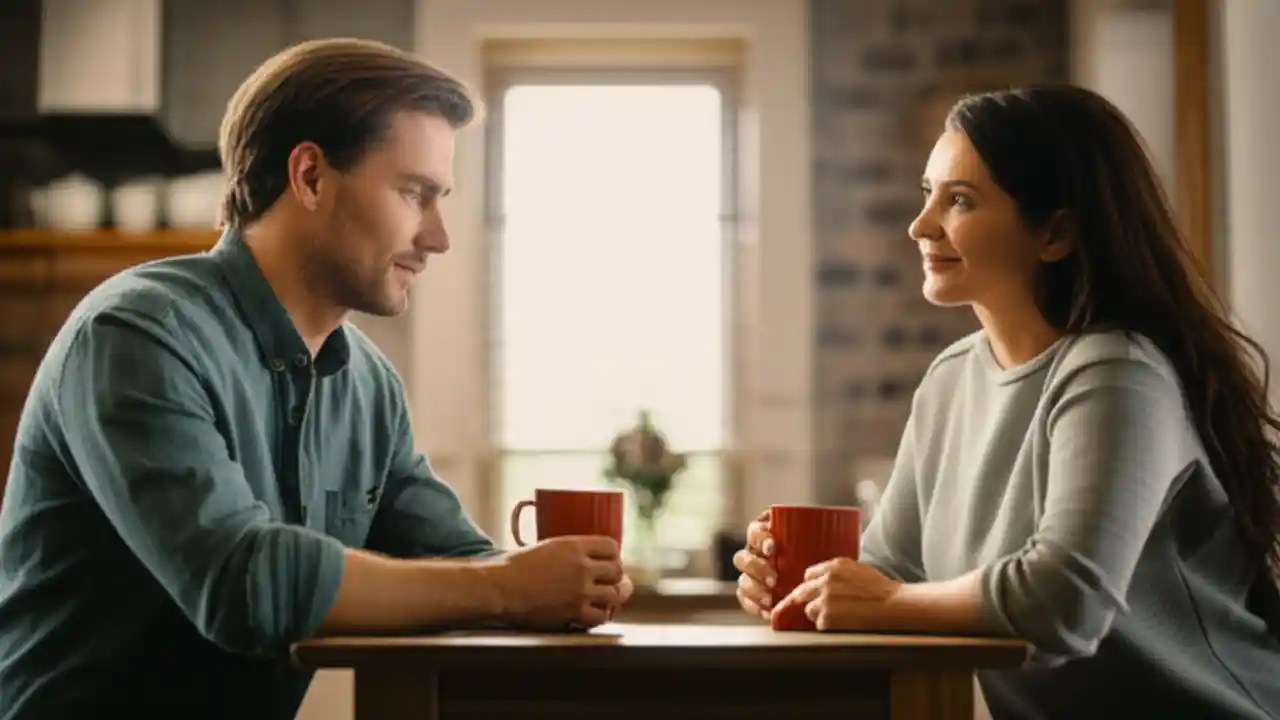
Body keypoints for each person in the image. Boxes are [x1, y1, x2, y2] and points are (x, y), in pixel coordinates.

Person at [0, 38, 631, 720]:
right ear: (309, 177)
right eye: (415, 194)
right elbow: (244, 586)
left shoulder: (367, 383)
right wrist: (512, 588)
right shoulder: (137, 334)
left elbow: (459, 562)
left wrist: (566, 584)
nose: (439, 237)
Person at [735, 84, 1280, 718]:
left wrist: (879, 603)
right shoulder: (951, 379)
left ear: (1055, 233)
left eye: (960, 200)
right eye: (927, 195)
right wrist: (805, 583)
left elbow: (1064, 600)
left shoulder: (1118, 373)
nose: (920, 226)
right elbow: (894, 569)